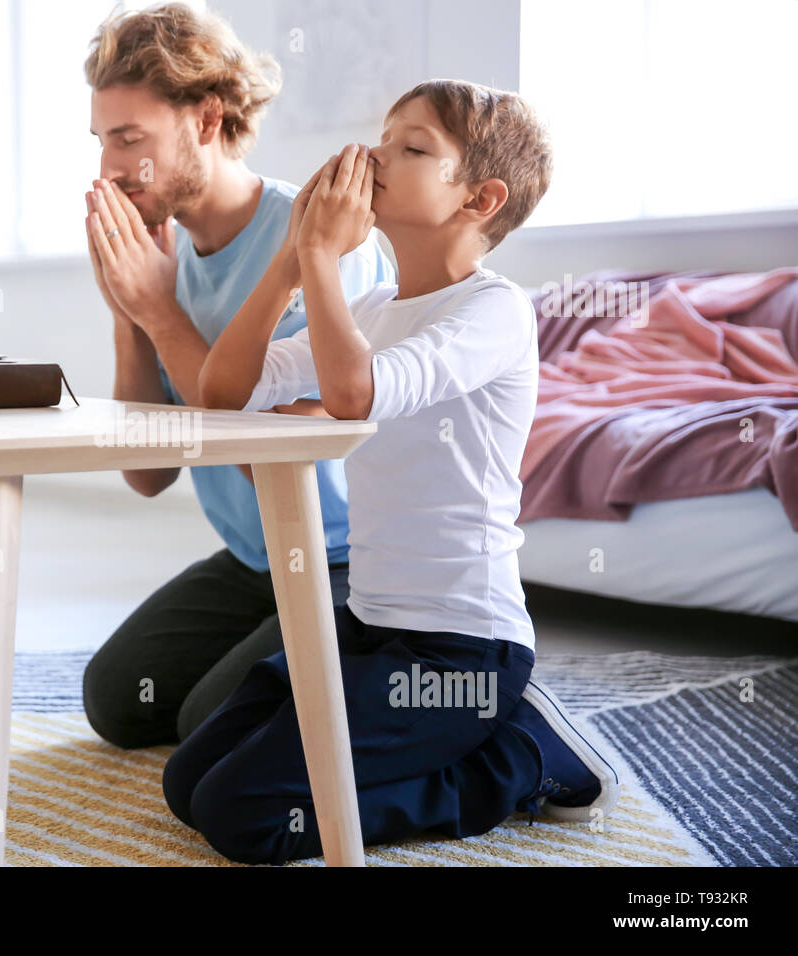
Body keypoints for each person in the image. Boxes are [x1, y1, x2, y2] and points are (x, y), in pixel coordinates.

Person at [172, 78, 621, 865]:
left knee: (241, 816)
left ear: (479, 198)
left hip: (459, 654)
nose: (377, 155)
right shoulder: (374, 306)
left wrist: (317, 255)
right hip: (369, 628)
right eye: (383, 137)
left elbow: (352, 394)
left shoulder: (493, 312)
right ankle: (505, 726)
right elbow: (224, 390)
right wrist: (287, 263)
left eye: (412, 147)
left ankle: (521, 759)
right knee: (189, 782)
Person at [81, 3, 395, 748]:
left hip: (353, 560)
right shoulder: (167, 264)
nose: (109, 169)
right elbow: (149, 475)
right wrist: (129, 310)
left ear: (207, 120)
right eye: (100, 142)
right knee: (118, 701)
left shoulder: (315, 241)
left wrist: (161, 314)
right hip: (259, 559)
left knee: (206, 725)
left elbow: (276, 457)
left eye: (130, 139)